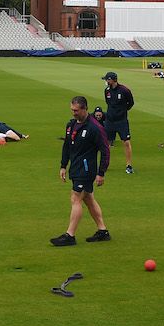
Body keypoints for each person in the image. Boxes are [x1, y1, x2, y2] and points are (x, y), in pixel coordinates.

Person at [51, 95, 111, 246]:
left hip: (86, 169)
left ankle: (70, 235)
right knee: (88, 199)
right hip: (75, 168)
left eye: (76, 110)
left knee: (75, 198)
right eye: (72, 110)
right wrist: (63, 165)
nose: (73, 113)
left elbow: (105, 150)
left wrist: (101, 172)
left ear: (85, 109)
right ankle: (103, 231)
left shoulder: (95, 127)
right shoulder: (71, 125)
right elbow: (66, 147)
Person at [101, 71, 136, 174]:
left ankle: (128, 165)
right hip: (109, 121)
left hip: (122, 121)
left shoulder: (124, 90)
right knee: (106, 143)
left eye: (107, 79)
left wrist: (122, 111)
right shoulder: (107, 91)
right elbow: (108, 103)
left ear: (112, 80)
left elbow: (131, 103)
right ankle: (105, 164)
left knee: (126, 142)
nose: (106, 81)